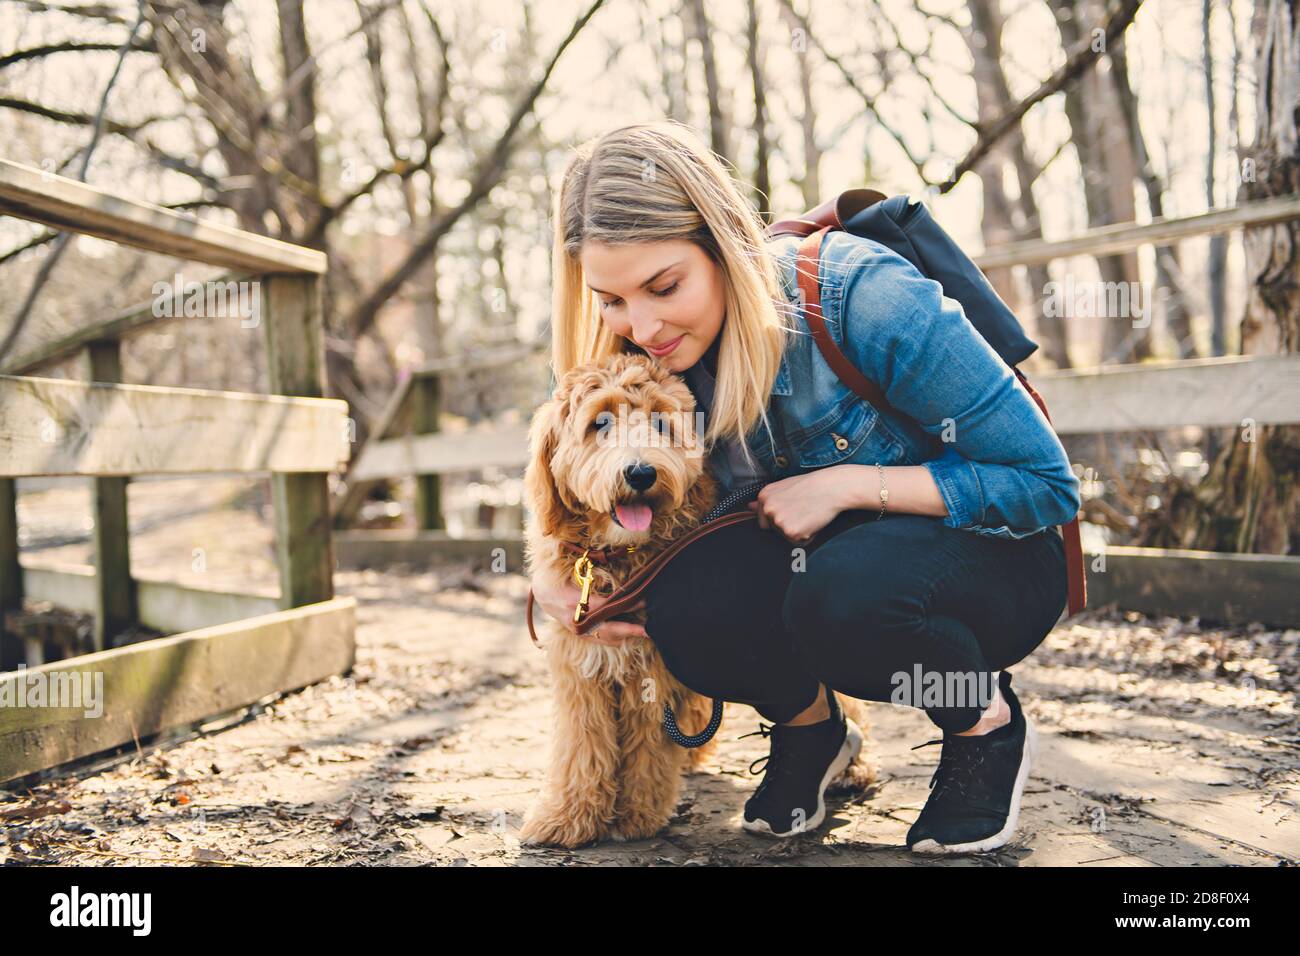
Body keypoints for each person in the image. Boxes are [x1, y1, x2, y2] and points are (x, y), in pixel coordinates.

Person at [528, 119, 1079, 854]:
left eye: (665, 286)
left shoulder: (863, 295)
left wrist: (852, 485)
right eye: (613, 299)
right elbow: (580, 479)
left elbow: (1045, 485)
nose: (643, 324)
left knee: (844, 594)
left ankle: (983, 722)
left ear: (724, 242)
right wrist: (560, 582)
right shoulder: (653, 361)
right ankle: (814, 729)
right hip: (825, 561)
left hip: (992, 556)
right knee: (688, 602)